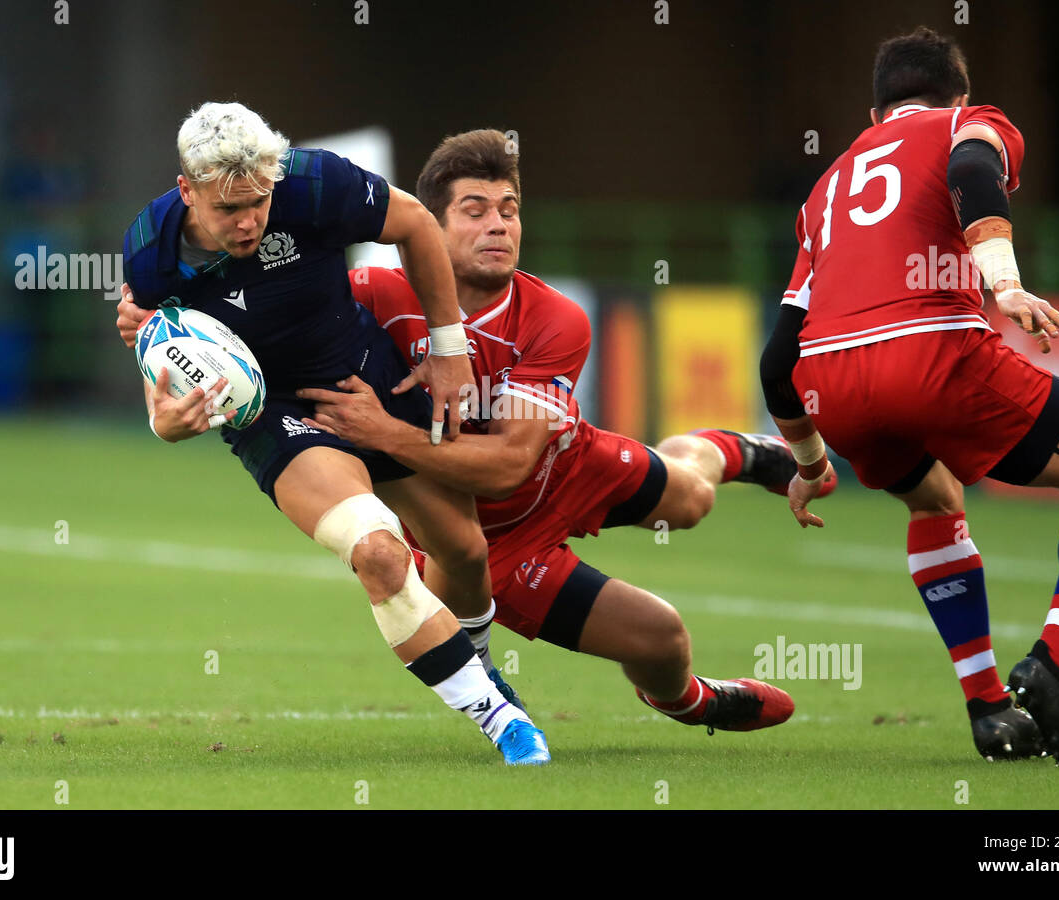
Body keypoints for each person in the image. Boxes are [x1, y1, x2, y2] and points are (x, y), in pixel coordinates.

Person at [293, 129, 817, 735]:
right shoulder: (372, 297)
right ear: (428, 228)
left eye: (509, 211)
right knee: (662, 637)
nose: (499, 226)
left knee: (693, 499)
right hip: (499, 548)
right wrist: (159, 314)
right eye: (475, 211)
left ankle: (738, 451)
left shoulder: (554, 317)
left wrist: (384, 432)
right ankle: (690, 702)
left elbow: (511, 465)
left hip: (569, 465)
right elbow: (271, 315)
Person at [759, 28, 1059, 763]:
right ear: (958, 94)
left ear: (874, 114)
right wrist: (1003, 283)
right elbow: (973, 167)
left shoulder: (824, 190)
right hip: (931, 350)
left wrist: (810, 465)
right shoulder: (970, 122)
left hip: (833, 384)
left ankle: (988, 710)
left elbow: (778, 358)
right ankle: (1055, 665)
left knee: (936, 501)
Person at [117, 102, 548, 765]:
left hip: (363, 375)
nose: (248, 220)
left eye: (259, 201)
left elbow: (415, 224)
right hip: (271, 415)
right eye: (228, 208)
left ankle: (479, 668)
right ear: (187, 191)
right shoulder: (150, 252)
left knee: (462, 551)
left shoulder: (312, 183)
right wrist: (164, 421)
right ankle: (498, 717)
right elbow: (161, 355)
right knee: (379, 553)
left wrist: (450, 347)